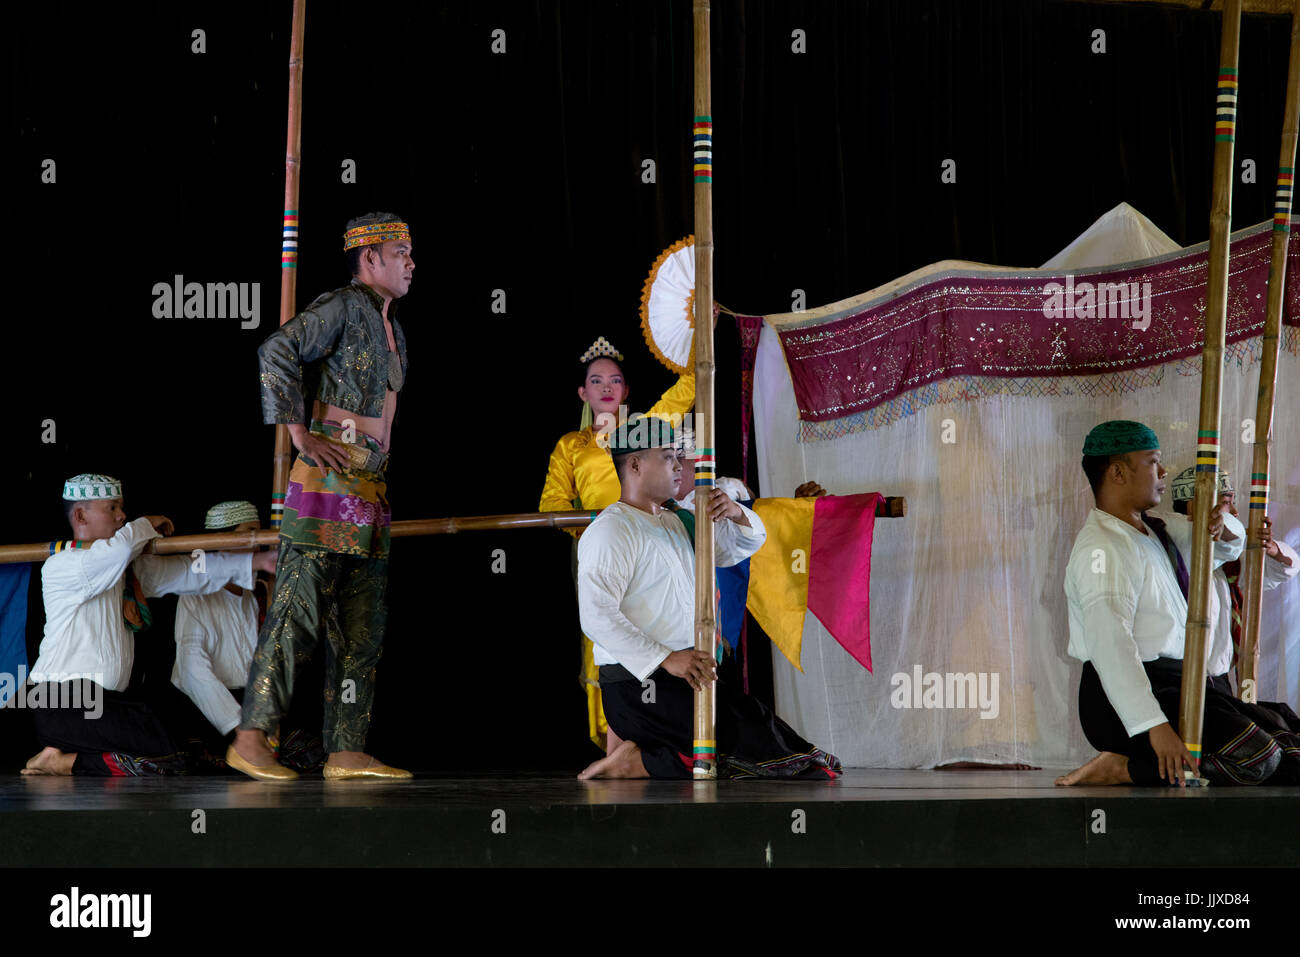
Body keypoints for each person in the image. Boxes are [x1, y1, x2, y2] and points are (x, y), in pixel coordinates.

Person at [231, 212, 414, 782]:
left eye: (411, 253)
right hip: (328, 483)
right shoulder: (341, 305)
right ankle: (251, 737)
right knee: (298, 611)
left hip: (371, 487)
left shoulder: (393, 326)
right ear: (370, 259)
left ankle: (346, 747)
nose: (411, 262)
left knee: (364, 622)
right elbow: (276, 352)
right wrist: (301, 436)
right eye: (401, 252)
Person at [575, 416, 841, 779]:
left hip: (688, 675)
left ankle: (646, 758)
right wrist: (665, 658)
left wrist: (736, 513)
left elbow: (736, 549)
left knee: (773, 737)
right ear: (635, 464)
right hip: (642, 686)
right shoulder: (611, 529)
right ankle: (636, 763)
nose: (678, 466)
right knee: (740, 751)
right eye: (668, 456)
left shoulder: (677, 521)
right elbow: (596, 615)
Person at [1057, 421, 1300, 787]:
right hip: (1126, 698)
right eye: (1154, 462)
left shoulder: (1158, 528)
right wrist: (1153, 725)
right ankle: (1124, 768)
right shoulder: (1101, 549)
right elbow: (1111, 646)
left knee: (1292, 749)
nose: (1164, 472)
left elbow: (1228, 545)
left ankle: (1137, 764)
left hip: (1181, 686)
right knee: (1259, 758)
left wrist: (1223, 523)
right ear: (1119, 472)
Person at [23, 475, 274, 776]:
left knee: (180, 750)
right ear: (80, 515)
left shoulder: (125, 569)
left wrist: (256, 564)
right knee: (167, 757)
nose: (121, 516)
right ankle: (61, 762)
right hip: (64, 701)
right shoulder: (65, 565)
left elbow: (190, 572)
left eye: (122, 508)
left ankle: (63, 753)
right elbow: (116, 551)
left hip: (106, 703)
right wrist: (145, 524)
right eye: (112, 508)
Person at [539, 336, 695, 752]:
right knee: (607, 630)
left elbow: (687, 389)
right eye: (596, 381)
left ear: (626, 391)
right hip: (602, 545)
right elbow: (551, 504)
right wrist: (602, 523)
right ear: (583, 392)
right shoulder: (572, 446)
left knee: (658, 621)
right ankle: (618, 742)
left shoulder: (642, 434)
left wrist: (698, 333)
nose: (606, 388)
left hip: (652, 540)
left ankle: (660, 738)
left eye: (615, 380)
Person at [171, 501, 323, 772]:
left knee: (311, 749)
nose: (258, 544)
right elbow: (191, 671)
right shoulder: (195, 596)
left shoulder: (261, 591)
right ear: (222, 542)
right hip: (216, 709)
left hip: (256, 705)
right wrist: (242, 727)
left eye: (259, 535)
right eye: (250, 535)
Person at [1166, 466, 1298, 695]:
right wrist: (1235, 533)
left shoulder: (1225, 564)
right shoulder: (1174, 543)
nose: (1235, 511)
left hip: (1216, 682)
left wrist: (1272, 549)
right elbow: (1224, 535)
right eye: (1227, 502)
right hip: (1181, 681)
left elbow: (1279, 571)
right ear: (1194, 505)